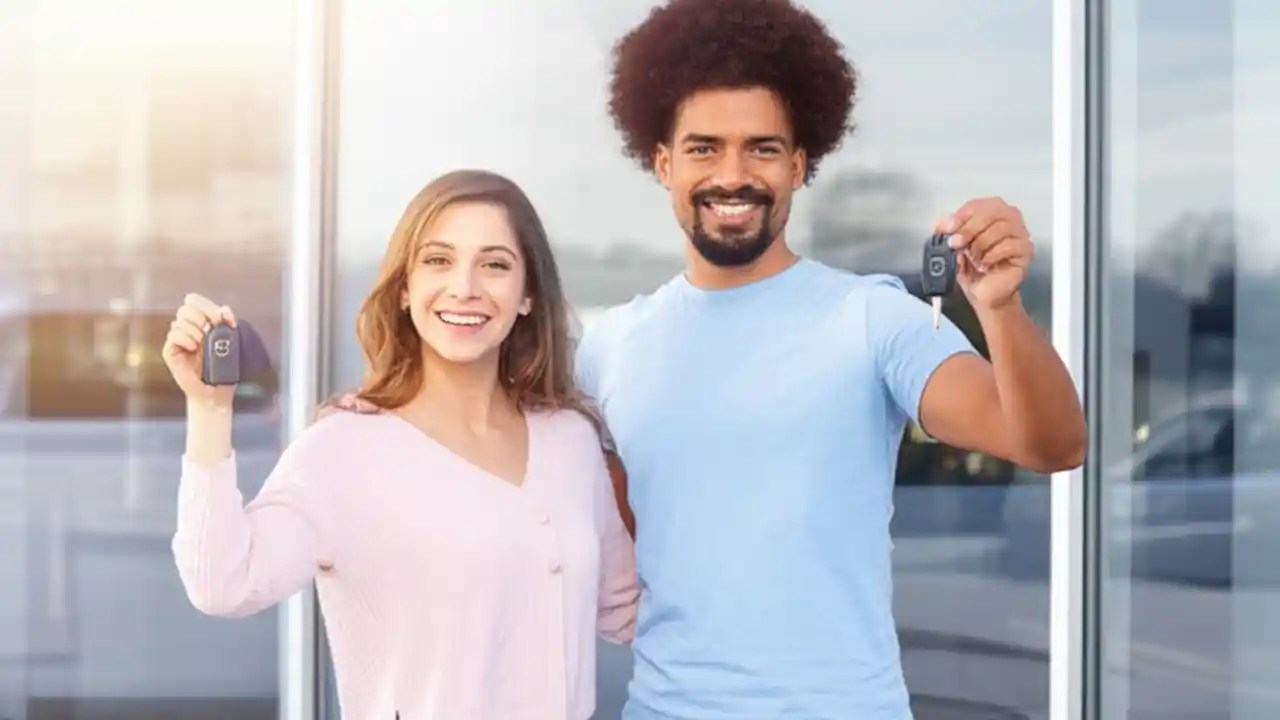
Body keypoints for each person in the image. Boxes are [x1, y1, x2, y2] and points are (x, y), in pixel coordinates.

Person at [576, 1, 1088, 718]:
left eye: (761, 147)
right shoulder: (609, 347)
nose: (733, 173)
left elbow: (1051, 443)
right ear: (662, 163)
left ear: (798, 163)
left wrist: (1000, 308)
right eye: (703, 148)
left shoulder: (874, 319)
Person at [164, 169, 639, 719]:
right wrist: (208, 408)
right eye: (438, 260)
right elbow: (221, 582)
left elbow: (624, 610)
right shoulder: (345, 449)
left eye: (495, 264)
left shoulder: (571, 440)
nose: (465, 286)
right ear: (405, 289)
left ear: (528, 294)